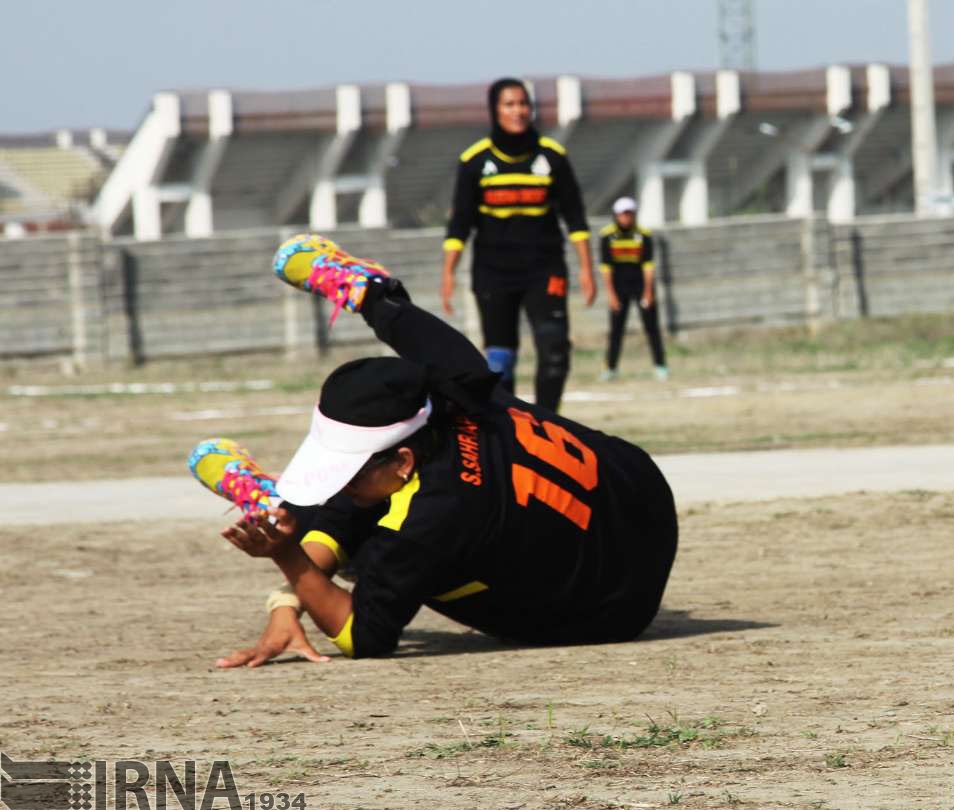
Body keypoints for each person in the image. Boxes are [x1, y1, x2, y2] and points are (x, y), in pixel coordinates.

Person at [215, 235, 675, 665]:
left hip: (603, 614)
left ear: (404, 458)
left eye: (347, 468)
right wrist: (287, 601)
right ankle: (369, 289)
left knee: (375, 527)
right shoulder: (453, 393)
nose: (343, 478)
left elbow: (364, 636)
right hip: (640, 498)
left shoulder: (434, 515)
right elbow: (419, 339)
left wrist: (287, 557)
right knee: (375, 486)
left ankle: (280, 511)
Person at [440, 77, 596, 413]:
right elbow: (460, 224)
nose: (518, 111)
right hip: (494, 273)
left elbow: (576, 217)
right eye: (510, 104)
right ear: (495, 110)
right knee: (500, 361)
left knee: (555, 350)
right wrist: (448, 273)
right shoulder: (476, 161)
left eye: (523, 103)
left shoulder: (552, 157)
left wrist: (587, 268)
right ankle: (511, 431)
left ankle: (547, 424)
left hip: (545, 268)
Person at [599, 197, 668, 382]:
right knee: (616, 330)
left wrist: (648, 292)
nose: (626, 217)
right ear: (616, 215)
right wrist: (611, 294)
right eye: (623, 214)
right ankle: (610, 368)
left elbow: (648, 266)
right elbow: (606, 268)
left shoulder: (643, 235)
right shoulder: (607, 236)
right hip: (619, 286)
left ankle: (660, 366)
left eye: (630, 213)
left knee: (651, 327)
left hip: (640, 284)